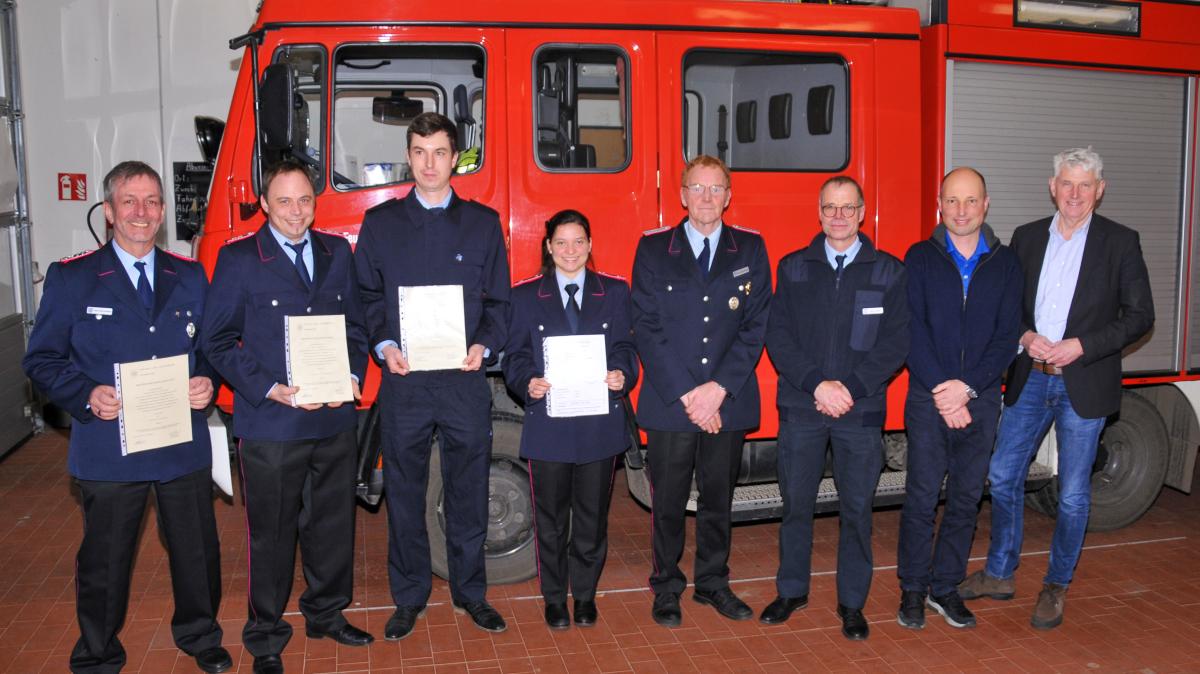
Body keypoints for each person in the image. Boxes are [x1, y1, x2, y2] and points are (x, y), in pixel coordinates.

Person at [23, 161, 231, 674]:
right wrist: (86, 394)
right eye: (130, 202)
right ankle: (97, 651)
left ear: (162, 213)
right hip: (109, 446)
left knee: (196, 549)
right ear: (110, 212)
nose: (142, 212)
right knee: (105, 560)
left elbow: (210, 347)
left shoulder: (188, 275)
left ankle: (200, 634)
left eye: (152, 202)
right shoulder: (73, 278)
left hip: (179, 440)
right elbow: (41, 359)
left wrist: (207, 379)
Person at [959, 147, 1154, 629]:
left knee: (1071, 495)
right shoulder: (1026, 239)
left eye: (1084, 185)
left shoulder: (1120, 242)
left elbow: (1140, 316)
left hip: (1082, 383)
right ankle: (1001, 573)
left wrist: (1081, 346)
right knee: (1003, 475)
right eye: (1066, 183)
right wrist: (1024, 335)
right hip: (1029, 379)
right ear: (1052, 186)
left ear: (1099, 191)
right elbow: (1007, 307)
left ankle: (1056, 585)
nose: (1074, 193)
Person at [201, 159, 372, 674]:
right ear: (264, 204)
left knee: (333, 525)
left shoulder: (337, 252)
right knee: (271, 533)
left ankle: (326, 613)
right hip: (272, 423)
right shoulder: (239, 260)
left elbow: (357, 329)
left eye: (304, 200)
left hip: (332, 419)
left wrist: (353, 377)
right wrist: (269, 388)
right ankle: (266, 634)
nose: (296, 211)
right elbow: (216, 340)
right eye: (284, 201)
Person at [353, 111, 511, 638]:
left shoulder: (483, 225)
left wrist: (484, 344)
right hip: (406, 383)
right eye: (419, 152)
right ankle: (409, 596)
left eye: (440, 152)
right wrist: (385, 344)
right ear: (408, 156)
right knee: (404, 491)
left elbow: (500, 304)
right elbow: (368, 297)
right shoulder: (381, 225)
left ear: (456, 158)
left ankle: (471, 593)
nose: (428, 163)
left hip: (465, 382)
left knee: (469, 489)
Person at [760, 175, 908, 641]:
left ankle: (852, 604)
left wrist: (852, 388)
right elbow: (777, 335)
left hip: (860, 413)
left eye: (848, 208)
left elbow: (896, 342)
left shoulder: (889, 271)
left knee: (857, 511)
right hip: (803, 408)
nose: (839, 216)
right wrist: (815, 384)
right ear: (819, 212)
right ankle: (792, 591)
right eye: (830, 208)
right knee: (795, 506)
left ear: (863, 212)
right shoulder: (792, 268)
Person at [631, 154, 771, 628]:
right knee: (668, 501)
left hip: (726, 402)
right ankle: (666, 586)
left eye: (716, 189)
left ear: (728, 197)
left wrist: (718, 390)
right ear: (683, 195)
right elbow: (646, 327)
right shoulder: (653, 249)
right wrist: (693, 396)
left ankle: (712, 583)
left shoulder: (749, 249)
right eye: (698, 187)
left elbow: (755, 326)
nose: (707, 197)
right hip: (675, 403)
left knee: (718, 499)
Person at [895, 168, 1022, 630]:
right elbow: (910, 330)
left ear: (985, 205)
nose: (962, 210)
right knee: (922, 497)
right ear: (940, 206)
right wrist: (943, 390)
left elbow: (1007, 336)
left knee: (967, 499)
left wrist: (967, 388)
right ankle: (912, 588)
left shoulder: (1005, 264)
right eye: (953, 201)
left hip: (982, 398)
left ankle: (944, 589)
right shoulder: (920, 257)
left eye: (971, 201)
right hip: (929, 397)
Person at [503, 209, 638, 630]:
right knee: (550, 520)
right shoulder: (524, 297)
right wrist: (528, 382)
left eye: (578, 242)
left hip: (598, 426)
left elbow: (626, 349)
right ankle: (554, 598)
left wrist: (622, 374)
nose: (570, 251)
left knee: (593, 519)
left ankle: (584, 596)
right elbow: (515, 358)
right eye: (561, 242)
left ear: (590, 245)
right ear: (548, 247)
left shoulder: (614, 293)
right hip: (550, 427)